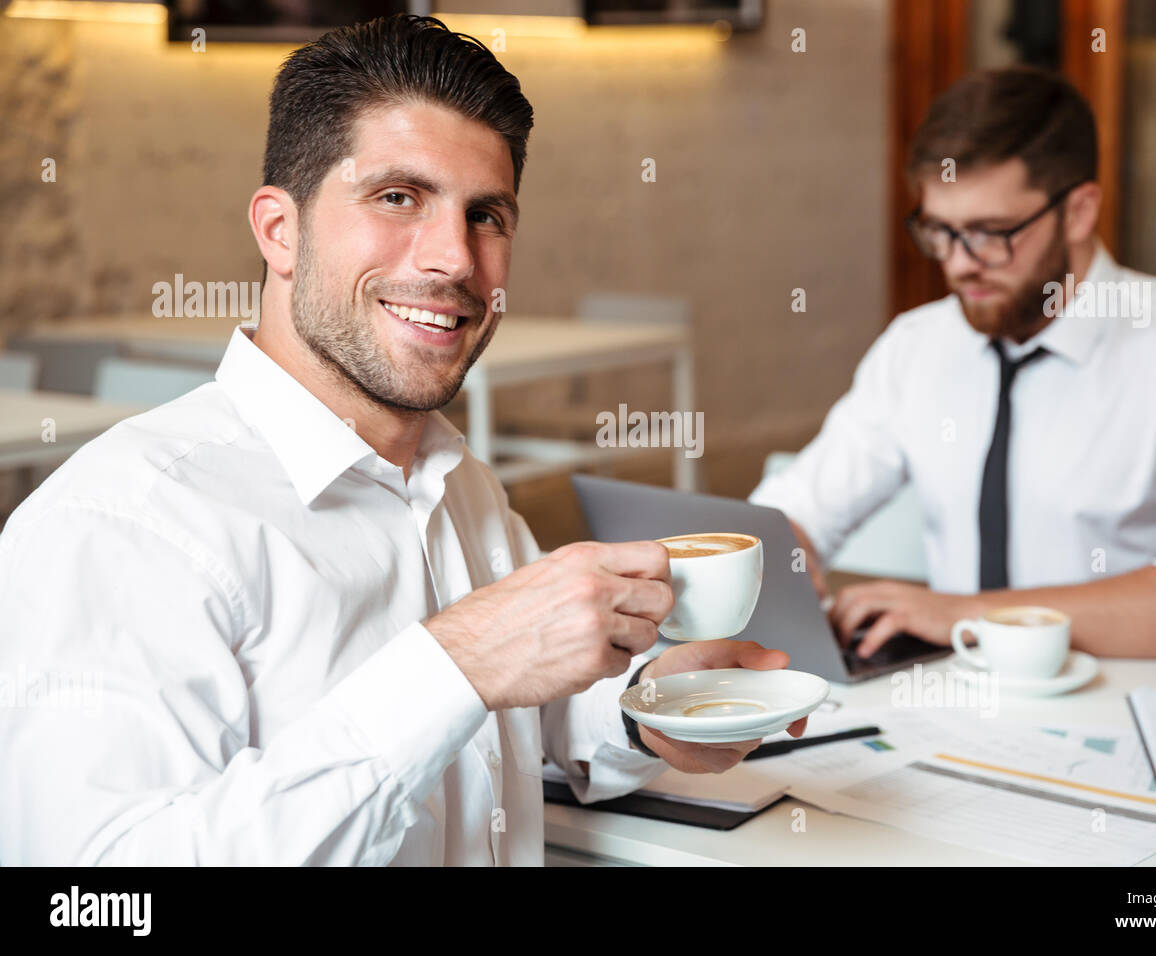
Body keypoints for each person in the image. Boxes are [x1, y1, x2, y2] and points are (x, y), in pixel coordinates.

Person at [0, 15, 804, 866]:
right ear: (280, 230)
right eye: (397, 197)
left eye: (486, 215)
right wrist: (451, 663)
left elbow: (523, 717)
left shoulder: (461, 483)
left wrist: (647, 710)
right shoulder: (117, 527)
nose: (455, 258)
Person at [750, 67, 1156, 660]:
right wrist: (780, 557)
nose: (960, 265)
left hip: (1132, 711)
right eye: (940, 232)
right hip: (957, 705)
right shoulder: (918, 345)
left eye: (991, 233)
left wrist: (970, 615)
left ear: (1080, 211)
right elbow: (795, 514)